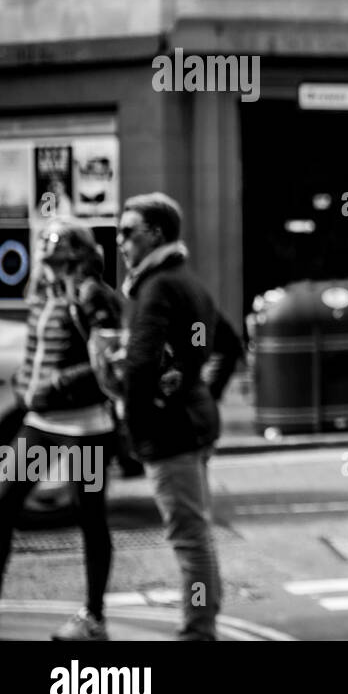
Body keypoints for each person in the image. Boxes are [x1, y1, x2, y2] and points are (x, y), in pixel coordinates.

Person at [0, 220, 122, 640]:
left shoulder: (91, 296)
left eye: (61, 259)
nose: (52, 267)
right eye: (49, 259)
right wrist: (26, 385)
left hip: (84, 427)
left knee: (89, 517)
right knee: (3, 503)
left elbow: (110, 359)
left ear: (78, 257)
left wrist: (59, 381)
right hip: (40, 421)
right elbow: (36, 351)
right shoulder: (43, 295)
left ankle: (94, 616)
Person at [117, 192, 223, 641]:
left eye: (128, 233)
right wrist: (198, 389)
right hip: (192, 422)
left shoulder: (158, 285)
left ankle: (198, 631)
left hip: (172, 432)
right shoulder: (186, 280)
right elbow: (228, 345)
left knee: (189, 538)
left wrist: (136, 421)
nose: (121, 242)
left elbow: (140, 367)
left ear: (154, 235)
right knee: (196, 532)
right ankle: (201, 625)